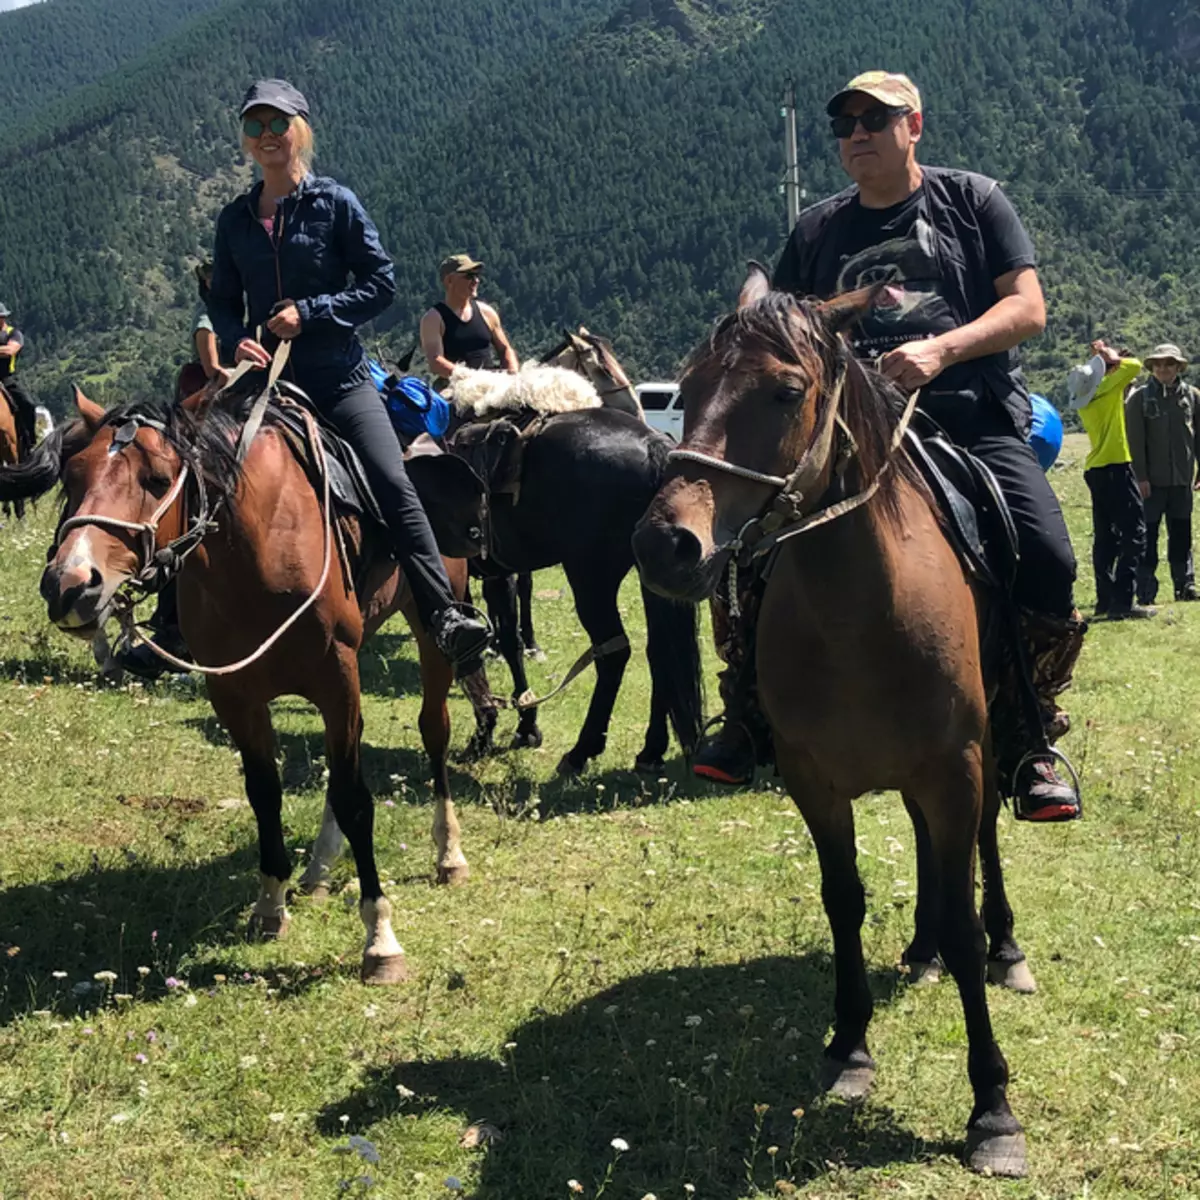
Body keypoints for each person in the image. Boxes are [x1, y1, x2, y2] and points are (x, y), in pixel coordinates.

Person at [696, 70, 1084, 821]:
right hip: (846, 438)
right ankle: (747, 713)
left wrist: (941, 351)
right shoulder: (816, 230)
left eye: (875, 119)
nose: (857, 135)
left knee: (1047, 554)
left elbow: (1028, 308)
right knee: (747, 553)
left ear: (915, 125)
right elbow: (776, 331)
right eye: (845, 125)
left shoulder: (973, 201)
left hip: (969, 417)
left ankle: (1028, 730)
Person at [203, 78, 490, 676]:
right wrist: (239, 340)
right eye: (255, 127)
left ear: (299, 131)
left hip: (338, 379)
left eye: (277, 125)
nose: (266, 137)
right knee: (200, 471)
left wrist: (307, 313)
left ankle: (444, 613)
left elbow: (378, 285)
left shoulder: (335, 203)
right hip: (268, 385)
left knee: (392, 479)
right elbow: (224, 302)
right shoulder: (233, 220)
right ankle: (179, 623)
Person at [1069, 341, 1152, 619]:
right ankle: (1123, 602)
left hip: (1095, 470)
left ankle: (1105, 599)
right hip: (1117, 466)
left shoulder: (1085, 403)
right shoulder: (1109, 389)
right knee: (1135, 534)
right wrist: (1108, 356)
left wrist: (1103, 362)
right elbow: (1135, 365)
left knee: (1104, 537)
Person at [1126, 343, 1200, 604]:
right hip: (1151, 484)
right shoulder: (1139, 399)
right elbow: (1134, 442)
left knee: (1181, 534)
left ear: (1179, 367)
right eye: (1158, 364)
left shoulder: (1192, 396)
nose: (1162, 368)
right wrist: (1141, 477)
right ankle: (1145, 589)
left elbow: (1198, 436)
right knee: (1148, 535)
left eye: (1169, 363)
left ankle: (1185, 585)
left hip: (1181, 481)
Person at [419, 254, 519, 387]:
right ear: (449, 281)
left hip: (492, 385)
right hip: (454, 388)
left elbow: (505, 349)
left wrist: (512, 374)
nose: (476, 281)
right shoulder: (433, 319)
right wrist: (472, 377)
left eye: (477, 276)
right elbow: (435, 362)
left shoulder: (487, 312)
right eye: (469, 276)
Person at [0, 303, 38, 457]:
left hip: (6, 377)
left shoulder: (13, 333)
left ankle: (30, 441)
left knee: (28, 404)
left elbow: (10, 350)